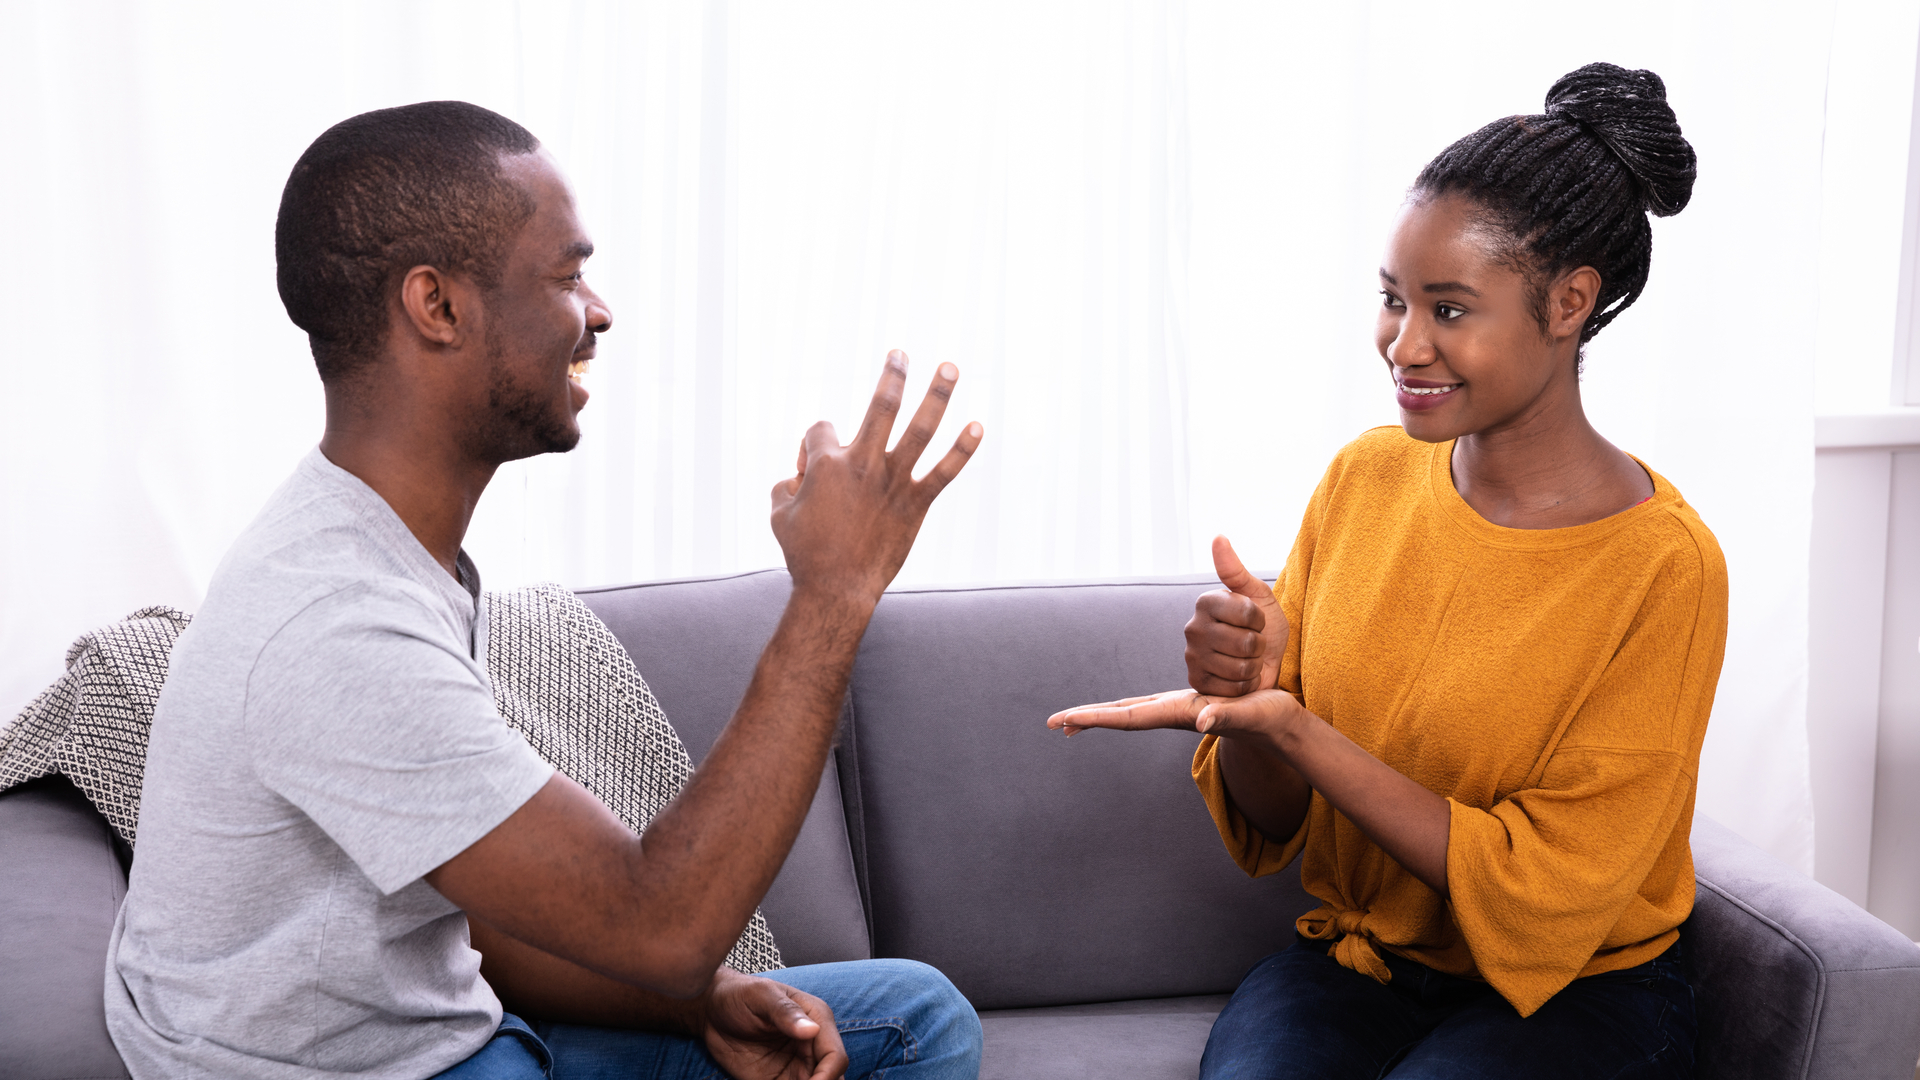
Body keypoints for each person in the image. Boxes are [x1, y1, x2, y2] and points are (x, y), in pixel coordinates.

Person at [104, 101, 985, 1080]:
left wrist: (704, 1006)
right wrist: (834, 590)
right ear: (437, 308)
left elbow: (484, 894)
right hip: (376, 1071)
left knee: (915, 1017)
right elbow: (665, 923)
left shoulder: (389, 552)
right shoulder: (339, 626)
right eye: (567, 276)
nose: (598, 312)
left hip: (453, 1022)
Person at [1047, 63, 1719, 1079]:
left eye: (1449, 310)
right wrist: (1248, 704)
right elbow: (1271, 818)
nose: (1402, 344)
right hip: (1361, 966)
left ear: (1569, 302)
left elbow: (1546, 897)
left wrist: (1300, 731)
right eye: (1392, 300)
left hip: (1585, 995)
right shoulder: (1366, 478)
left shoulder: (1665, 566)